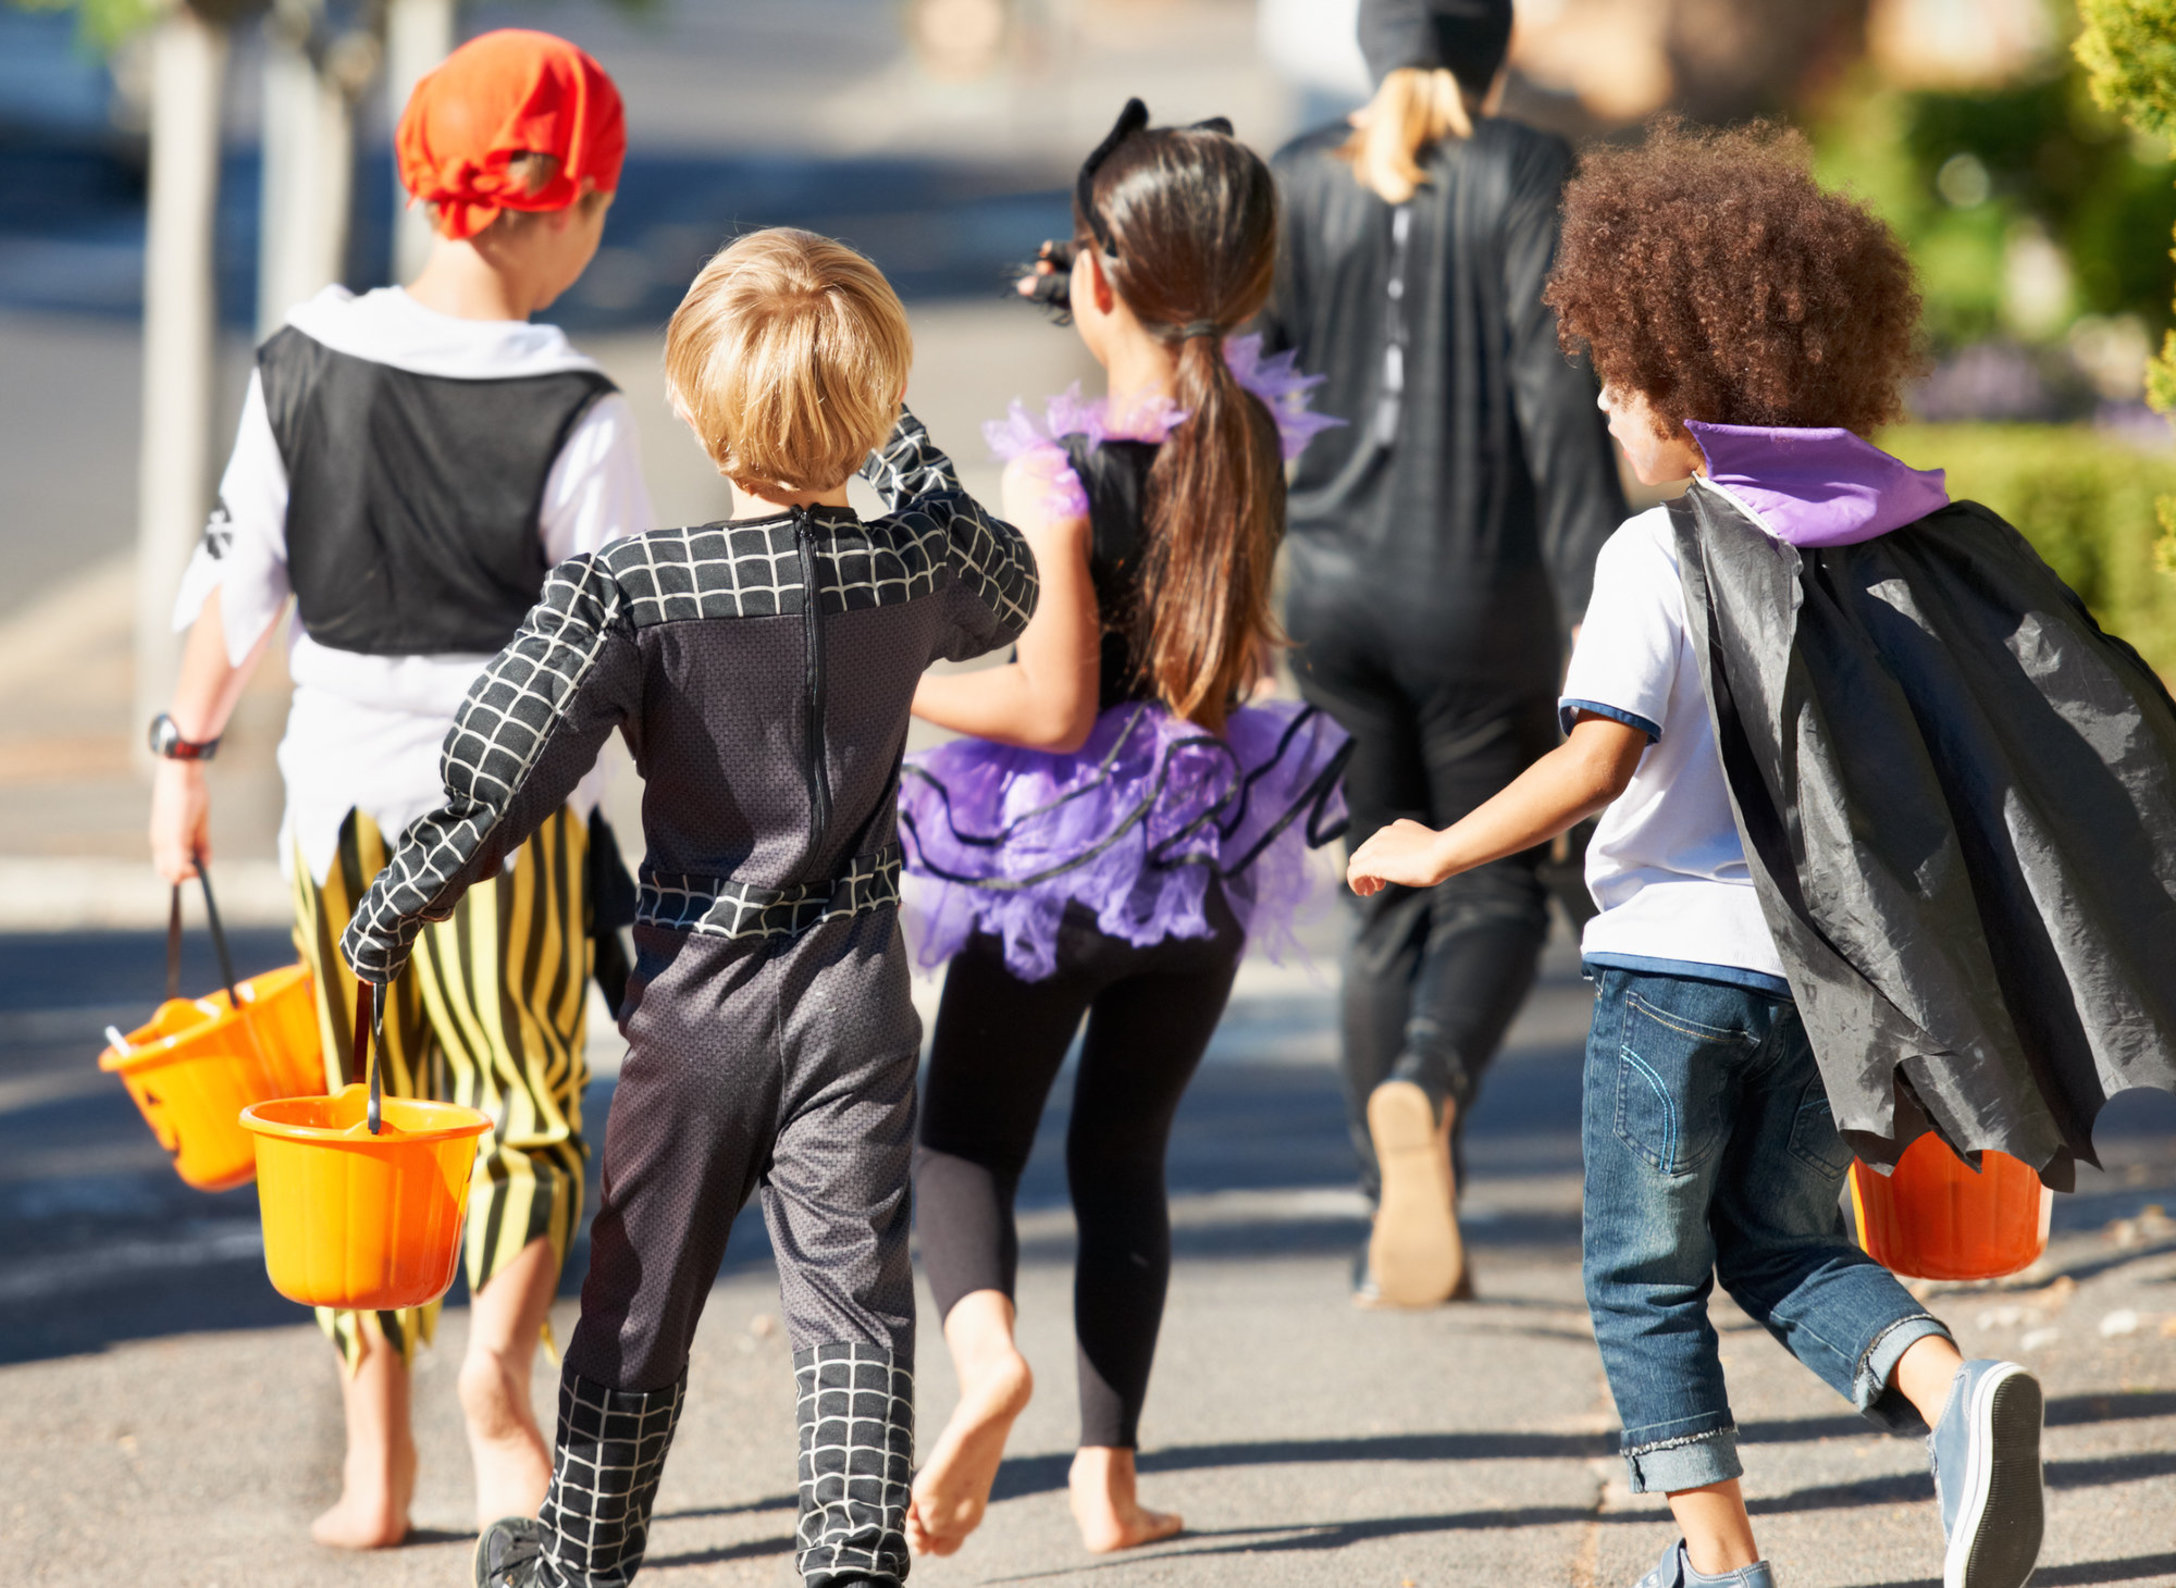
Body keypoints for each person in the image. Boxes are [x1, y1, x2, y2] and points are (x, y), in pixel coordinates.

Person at [1346, 121, 2067, 1588]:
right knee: (1782, 1241)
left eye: (1618, 381)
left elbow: (1593, 760)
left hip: (1672, 977)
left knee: (1639, 1278)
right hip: (1821, 986)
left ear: (1685, 393)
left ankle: (1719, 1563)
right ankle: (1953, 1392)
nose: (1606, 408)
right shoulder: (1875, 547)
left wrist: (1435, 849)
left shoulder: (1657, 555)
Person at [339, 226, 1038, 1588]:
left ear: (693, 407)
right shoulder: (916, 566)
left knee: (640, 1289)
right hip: (854, 986)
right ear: (877, 400)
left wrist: (393, 908)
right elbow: (1006, 583)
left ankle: (581, 1556)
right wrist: (903, 449)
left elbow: (498, 776)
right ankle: (848, 1562)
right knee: (852, 1298)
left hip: (696, 994)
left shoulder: (633, 590)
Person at [148, 29, 650, 1548]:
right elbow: (621, 646)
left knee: (356, 1126)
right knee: (521, 1116)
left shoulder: (305, 356)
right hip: (516, 825)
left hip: (335, 813)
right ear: (561, 205)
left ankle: (378, 1475)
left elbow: (239, 594)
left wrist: (182, 764)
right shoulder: (581, 409)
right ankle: (500, 1372)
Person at [896, 100, 1348, 1560]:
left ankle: (987, 1365)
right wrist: (1111, 308)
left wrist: (906, 684)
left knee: (960, 1144)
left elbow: (1049, 700)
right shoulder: (1258, 433)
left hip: (1062, 864)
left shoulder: (1057, 474)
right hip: (1210, 845)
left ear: (1097, 279)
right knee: (1123, 1154)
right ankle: (1107, 1484)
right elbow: (1181, 415)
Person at [1257, 0, 1628, 1309]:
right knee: (1491, 888)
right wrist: (1604, 596)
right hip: (1482, 597)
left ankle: (1390, 1211)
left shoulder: (1301, 177)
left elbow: (1261, 397)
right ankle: (1428, 1080)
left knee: (1382, 888)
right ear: (1496, 47)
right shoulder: (1525, 171)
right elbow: (1552, 396)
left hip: (1333, 596)